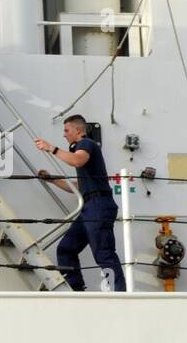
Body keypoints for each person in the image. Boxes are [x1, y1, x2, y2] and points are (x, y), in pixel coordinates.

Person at [35, 116, 127, 292]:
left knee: (104, 254)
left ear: (78, 130)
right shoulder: (82, 150)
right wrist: (52, 180)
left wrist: (51, 148)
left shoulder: (85, 144)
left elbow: (77, 160)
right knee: (66, 248)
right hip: (90, 207)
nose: (64, 135)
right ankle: (76, 289)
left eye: (66, 130)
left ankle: (119, 292)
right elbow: (78, 188)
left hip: (98, 206)